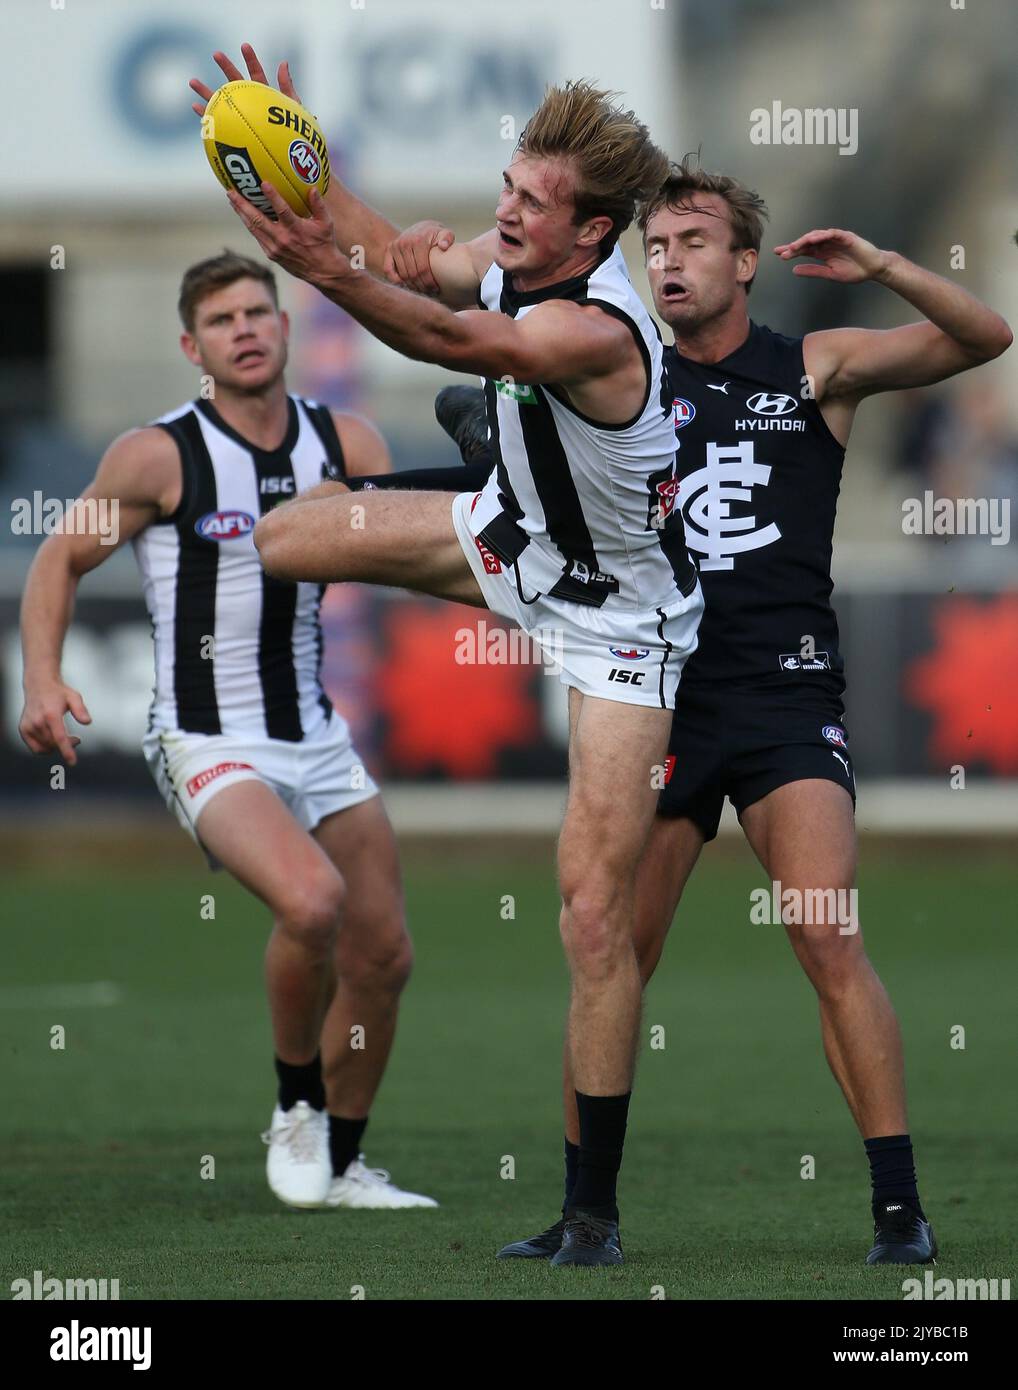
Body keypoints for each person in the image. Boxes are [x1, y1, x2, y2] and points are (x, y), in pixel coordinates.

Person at [379, 155, 1012, 1265]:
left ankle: (898, 1211)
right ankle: (587, 1216)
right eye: (657, 246)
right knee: (612, 949)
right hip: (655, 692)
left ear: (745, 261)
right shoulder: (621, 367)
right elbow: (501, 411)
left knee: (826, 931)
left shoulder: (814, 368)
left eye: (694, 243)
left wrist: (880, 265)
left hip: (783, 699)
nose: (669, 262)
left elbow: (984, 337)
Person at [190, 45, 704, 1266]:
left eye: (531, 203)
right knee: (285, 536)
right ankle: (499, 454)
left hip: (619, 625)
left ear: (592, 233)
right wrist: (300, 171)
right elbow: (399, 259)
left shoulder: (593, 325)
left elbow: (447, 338)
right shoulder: (525, 258)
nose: (505, 212)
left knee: (591, 919)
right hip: (509, 536)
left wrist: (320, 274)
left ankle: (590, 1215)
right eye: (507, 188)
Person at [18, 251, 436, 1214]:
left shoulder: (348, 441)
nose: (244, 329)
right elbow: (58, 558)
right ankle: (295, 1107)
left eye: (257, 311)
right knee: (313, 904)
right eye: (221, 320)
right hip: (208, 738)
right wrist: (42, 677)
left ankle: (341, 1165)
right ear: (191, 346)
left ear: (286, 327)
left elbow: (424, 536)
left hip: (315, 733)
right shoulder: (157, 455)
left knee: (384, 955)